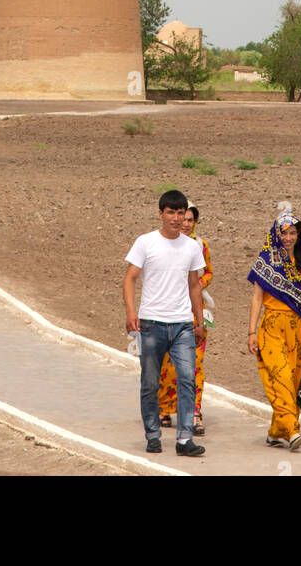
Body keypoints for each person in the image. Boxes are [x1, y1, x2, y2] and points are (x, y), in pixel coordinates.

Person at [123, 190, 207, 458]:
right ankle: (152, 434)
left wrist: (199, 319)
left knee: (186, 378)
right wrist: (130, 312)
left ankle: (184, 439)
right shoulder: (146, 243)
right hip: (151, 323)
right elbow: (130, 278)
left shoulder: (192, 247)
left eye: (180, 213)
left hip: (182, 324)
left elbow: (195, 285)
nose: (176, 218)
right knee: (150, 382)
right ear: (161, 214)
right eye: (170, 212)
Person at [246, 204, 301, 451]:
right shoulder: (267, 261)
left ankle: (275, 432)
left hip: (300, 330)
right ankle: (292, 431)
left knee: (291, 381)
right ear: (276, 234)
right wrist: (251, 331)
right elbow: (257, 298)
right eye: (284, 233)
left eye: (292, 233)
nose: (288, 238)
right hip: (271, 326)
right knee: (278, 376)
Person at [158, 204, 213, 435]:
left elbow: (208, 272)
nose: (186, 223)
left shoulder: (201, 246)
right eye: (183, 218)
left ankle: (194, 412)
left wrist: (197, 285)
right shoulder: (160, 244)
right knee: (167, 363)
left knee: (194, 364)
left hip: (194, 312)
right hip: (166, 311)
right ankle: (164, 408)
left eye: (191, 219)